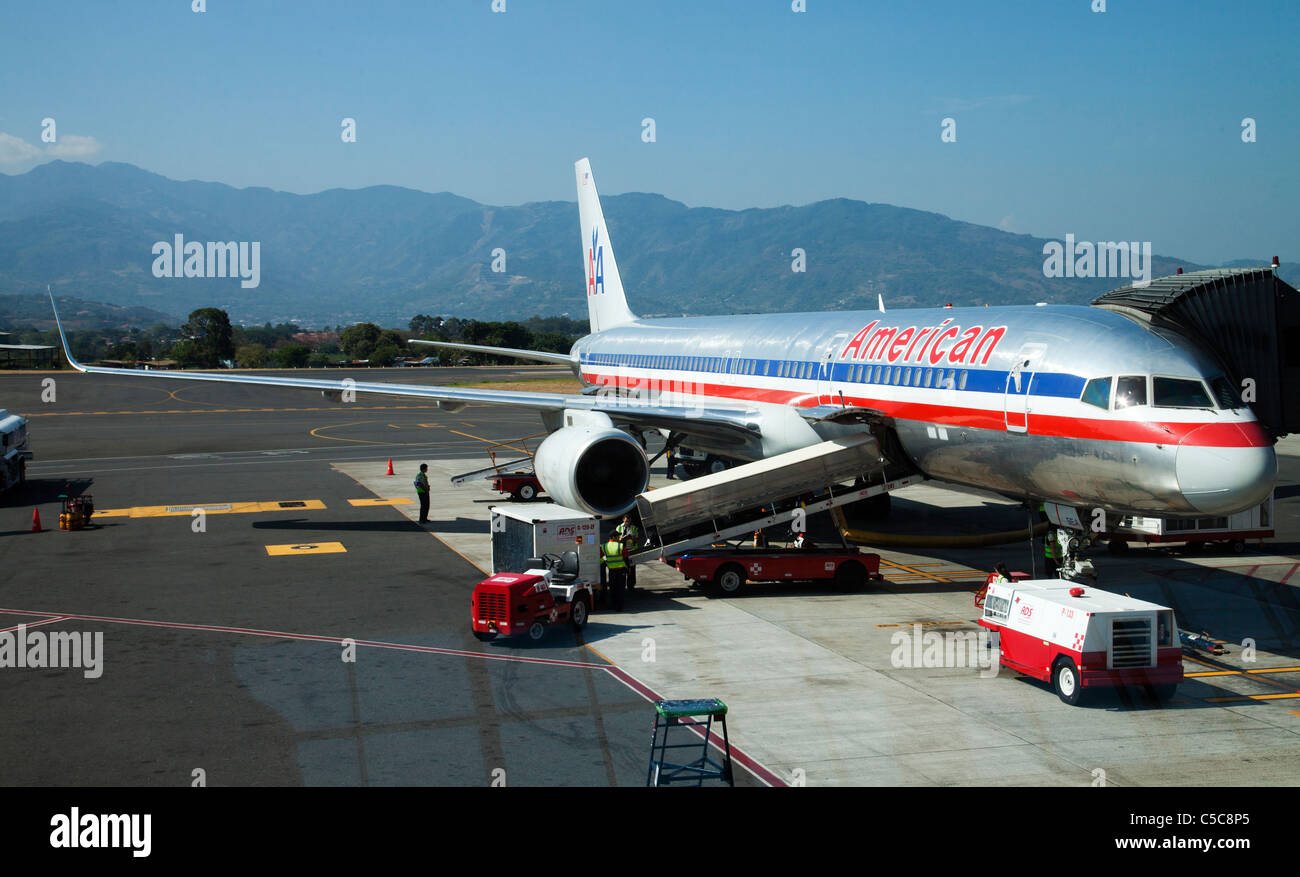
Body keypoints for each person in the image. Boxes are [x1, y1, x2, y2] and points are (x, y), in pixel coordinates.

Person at [601, 537, 627, 611]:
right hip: (621, 571)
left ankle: (612, 605)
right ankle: (619, 607)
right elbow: (626, 558)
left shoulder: (604, 546)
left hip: (611, 571)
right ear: (614, 537)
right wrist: (628, 568)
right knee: (620, 589)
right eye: (618, 536)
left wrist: (604, 561)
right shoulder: (620, 545)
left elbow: (600, 556)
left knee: (613, 588)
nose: (619, 538)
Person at [616, 515, 641, 591]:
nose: (626, 522)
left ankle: (631, 585)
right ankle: (622, 585)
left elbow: (637, 540)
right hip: (622, 550)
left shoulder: (634, 528)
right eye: (625, 521)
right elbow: (616, 539)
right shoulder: (618, 527)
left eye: (628, 521)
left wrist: (631, 537)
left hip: (631, 550)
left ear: (630, 521)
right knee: (622, 569)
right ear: (623, 520)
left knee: (631, 569)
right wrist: (621, 539)